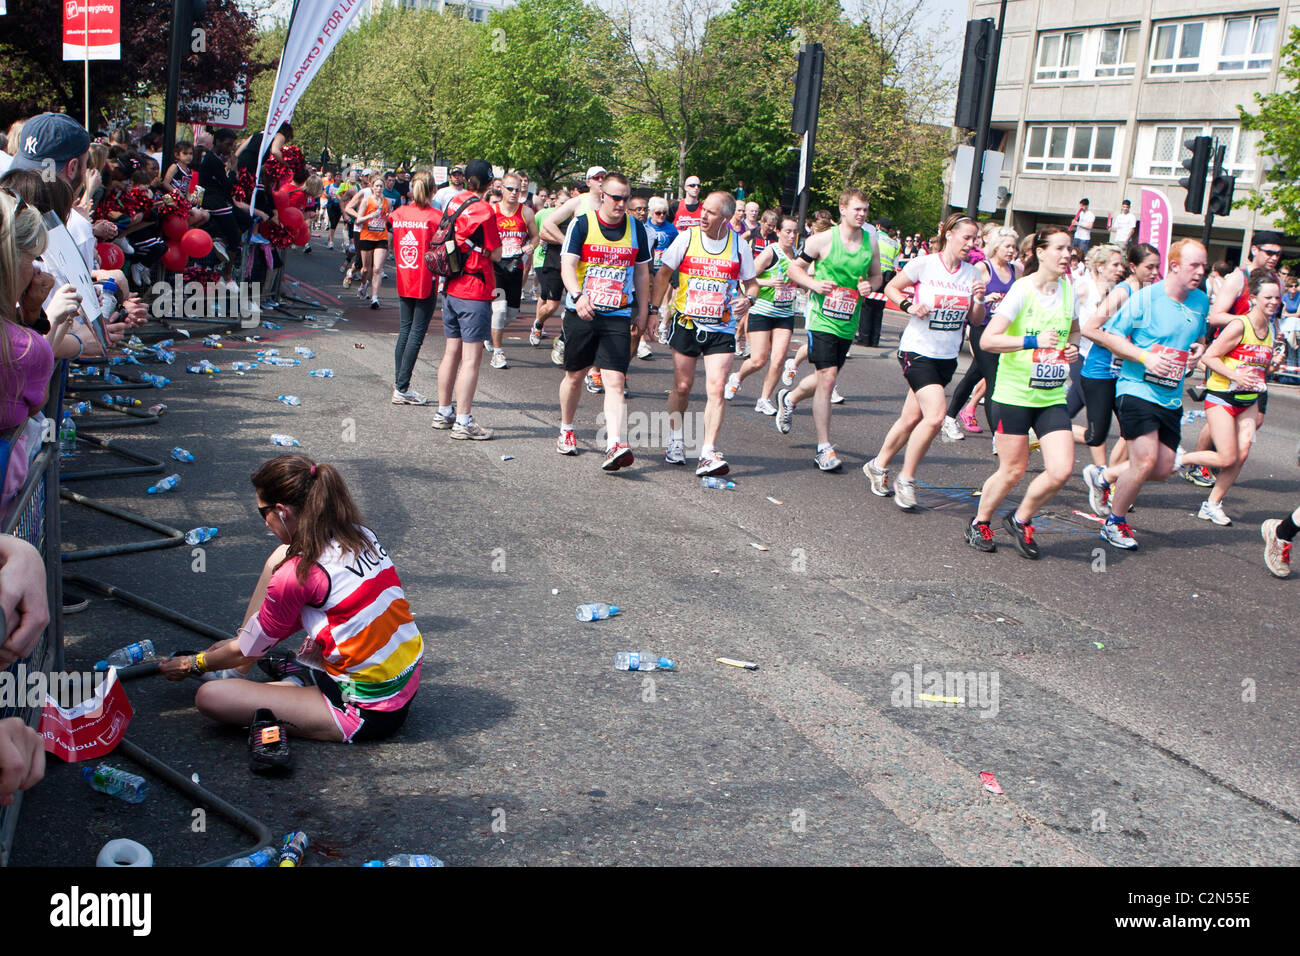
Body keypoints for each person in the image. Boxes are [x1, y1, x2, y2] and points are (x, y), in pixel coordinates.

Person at [159, 457, 423, 746]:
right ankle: (267, 674)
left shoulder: (298, 573)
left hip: (364, 709)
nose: (263, 524)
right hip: (400, 682)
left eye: (263, 513)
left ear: (282, 512)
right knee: (279, 557)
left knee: (210, 698)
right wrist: (246, 644)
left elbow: (256, 642)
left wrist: (193, 664)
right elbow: (322, 608)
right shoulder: (358, 534)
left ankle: (273, 679)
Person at [963, 226, 1079, 558]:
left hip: (1052, 394)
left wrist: (1071, 348)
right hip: (1014, 395)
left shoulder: (1068, 291)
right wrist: (1031, 341)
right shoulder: (1022, 290)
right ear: (1040, 252)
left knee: (1061, 469)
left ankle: (1020, 517)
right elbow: (988, 341)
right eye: (1059, 248)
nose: (1067, 255)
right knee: (1013, 470)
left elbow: (1075, 331)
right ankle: (980, 522)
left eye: (1069, 249)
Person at [1094, 239, 1209, 550]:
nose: (1200, 272)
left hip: (1170, 395)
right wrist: (1146, 358)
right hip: (1136, 388)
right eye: (1193, 266)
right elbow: (1110, 337)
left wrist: (1199, 349)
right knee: (1144, 462)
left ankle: (1104, 476)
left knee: (1161, 468)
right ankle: (1114, 522)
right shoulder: (1145, 299)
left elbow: (1195, 336)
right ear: (1174, 266)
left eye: (1203, 266)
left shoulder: (1200, 301)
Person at [864, 214, 985, 507]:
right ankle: (906, 478)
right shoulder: (925, 264)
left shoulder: (972, 274)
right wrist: (909, 305)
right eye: (966, 237)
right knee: (934, 416)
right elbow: (892, 287)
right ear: (949, 235)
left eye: (974, 239)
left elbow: (976, 320)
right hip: (917, 351)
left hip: (946, 356)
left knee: (911, 418)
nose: (971, 244)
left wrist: (979, 300)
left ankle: (877, 465)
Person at [775, 189, 882, 471]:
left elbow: (876, 275)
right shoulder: (821, 240)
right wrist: (813, 285)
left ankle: (790, 397)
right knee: (828, 377)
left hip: (848, 320)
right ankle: (824, 448)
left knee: (827, 380)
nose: (862, 214)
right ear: (843, 209)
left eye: (865, 210)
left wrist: (870, 286)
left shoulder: (871, 242)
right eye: (857, 209)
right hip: (822, 318)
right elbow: (794, 270)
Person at [653, 191, 758, 476]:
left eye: (710, 212)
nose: (703, 215)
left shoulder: (739, 247)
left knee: (716, 388)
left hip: (721, 327)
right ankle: (675, 439)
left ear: (725, 218)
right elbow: (663, 273)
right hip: (688, 323)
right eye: (703, 210)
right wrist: (652, 310)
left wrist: (748, 299)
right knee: (683, 387)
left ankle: (708, 451)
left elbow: (752, 284)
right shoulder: (687, 238)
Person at [555, 172, 652, 469]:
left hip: (618, 314)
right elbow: (568, 266)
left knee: (615, 379)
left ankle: (614, 444)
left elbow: (642, 274)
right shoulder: (582, 224)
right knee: (574, 375)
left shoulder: (637, 229)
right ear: (602, 197)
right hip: (582, 312)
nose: (621, 204)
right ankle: (567, 429)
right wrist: (578, 295)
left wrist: (646, 312)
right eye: (616, 198)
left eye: (626, 198)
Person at [1174, 269, 1279, 526]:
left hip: (1249, 399)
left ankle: (1212, 504)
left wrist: (1272, 365)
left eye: (1277, 298)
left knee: (1241, 454)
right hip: (1222, 396)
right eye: (1268, 298)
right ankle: (1178, 459)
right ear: (1253, 298)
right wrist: (1236, 375)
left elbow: (1259, 365)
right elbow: (1208, 358)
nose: (1274, 303)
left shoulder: (1272, 328)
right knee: (1226, 457)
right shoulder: (1239, 325)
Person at [1078, 243, 1162, 513]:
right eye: (1149, 267)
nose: (1154, 272)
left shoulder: (1147, 295)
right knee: (1095, 434)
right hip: (1100, 371)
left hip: (1127, 374)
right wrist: (1117, 344)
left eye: (1157, 267)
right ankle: (1045, 430)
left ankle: (1107, 481)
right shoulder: (1122, 292)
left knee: (1131, 432)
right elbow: (1090, 329)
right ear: (1134, 267)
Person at [433, 159, 501, 439]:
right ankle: (463, 421)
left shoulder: (454, 200)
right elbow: (495, 253)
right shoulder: (485, 211)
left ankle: (443, 411)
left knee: (451, 353)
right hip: (474, 288)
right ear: (488, 183)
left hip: (451, 283)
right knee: (471, 359)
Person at [943, 225, 1019, 441]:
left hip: (1003, 332)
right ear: (996, 247)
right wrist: (986, 298)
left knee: (974, 374)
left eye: (1014, 247)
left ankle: (949, 418)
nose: (1012, 250)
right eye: (1007, 246)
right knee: (994, 378)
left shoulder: (1015, 271)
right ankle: (998, 437)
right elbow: (966, 297)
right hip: (982, 328)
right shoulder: (982, 268)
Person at [726, 215, 799, 414]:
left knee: (778, 358)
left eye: (795, 232)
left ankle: (764, 399)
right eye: (787, 231)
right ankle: (737, 378)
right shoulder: (770, 252)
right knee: (758, 360)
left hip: (785, 312)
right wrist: (769, 283)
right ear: (778, 232)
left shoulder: (798, 256)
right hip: (762, 310)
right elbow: (748, 277)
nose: (792, 236)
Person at [1065, 243, 1126, 463]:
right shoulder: (1083, 288)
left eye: (1122, 264)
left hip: (1108, 359)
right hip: (1082, 356)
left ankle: (1041, 428)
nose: (1121, 268)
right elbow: (1068, 318)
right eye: (1115, 264)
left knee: (1068, 409)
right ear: (1099, 266)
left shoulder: (1119, 291)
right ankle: (1101, 473)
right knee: (1097, 422)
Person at [388, 171, 441, 406]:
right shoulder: (435, 216)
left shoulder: (398, 213)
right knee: (416, 333)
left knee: (405, 330)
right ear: (432, 190)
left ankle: (400, 384)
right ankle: (402, 386)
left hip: (404, 274)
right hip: (425, 277)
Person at [487, 171, 539, 369]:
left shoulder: (526, 212)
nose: (514, 193)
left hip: (515, 266)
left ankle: (490, 332)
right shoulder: (492, 211)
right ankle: (498, 352)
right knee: (499, 309)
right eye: (510, 189)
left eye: (518, 189)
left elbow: (536, 236)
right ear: (501, 189)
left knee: (511, 313)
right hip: (496, 267)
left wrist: (530, 247)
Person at [343, 174, 391, 309]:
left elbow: (387, 218)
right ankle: (358, 280)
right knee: (364, 268)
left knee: (377, 269)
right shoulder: (365, 197)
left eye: (382, 186)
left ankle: (375, 298)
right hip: (365, 234)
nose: (379, 188)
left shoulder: (387, 201)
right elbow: (353, 213)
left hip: (381, 236)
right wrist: (367, 216)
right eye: (377, 185)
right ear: (371, 185)